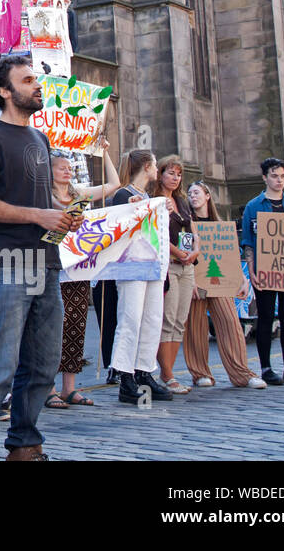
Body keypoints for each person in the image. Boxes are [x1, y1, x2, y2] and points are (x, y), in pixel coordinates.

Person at [0, 55, 75, 462]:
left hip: (46, 262)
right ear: (5, 91)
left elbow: (38, 201)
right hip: (4, 262)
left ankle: (24, 442)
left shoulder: (40, 139)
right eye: (27, 80)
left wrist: (62, 213)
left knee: (43, 363)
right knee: (2, 363)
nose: (37, 85)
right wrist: (39, 214)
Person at [45, 142, 121, 409]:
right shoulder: (41, 195)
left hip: (77, 271)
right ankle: (48, 388)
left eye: (69, 167)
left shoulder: (79, 195)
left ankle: (69, 388)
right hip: (52, 269)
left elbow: (114, 184)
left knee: (75, 327)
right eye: (61, 167)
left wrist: (105, 152)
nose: (67, 171)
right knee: (51, 329)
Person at [104, 148, 172, 406]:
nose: (157, 169)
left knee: (152, 319)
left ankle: (144, 370)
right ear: (145, 166)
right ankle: (125, 375)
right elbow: (117, 225)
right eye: (155, 165)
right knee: (130, 318)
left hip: (153, 263)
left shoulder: (148, 196)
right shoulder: (125, 194)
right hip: (132, 265)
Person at [182, 182, 264, 388]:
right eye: (190, 193)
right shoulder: (186, 223)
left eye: (197, 192)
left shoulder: (220, 223)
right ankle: (200, 373)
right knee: (196, 327)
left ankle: (242, 373)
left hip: (220, 282)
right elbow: (184, 253)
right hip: (195, 280)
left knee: (230, 323)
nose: (193, 196)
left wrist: (242, 280)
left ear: (208, 195)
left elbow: (231, 258)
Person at [241, 158, 284, 385]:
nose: (279, 180)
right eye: (274, 176)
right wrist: (251, 271)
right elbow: (248, 242)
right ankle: (266, 368)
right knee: (265, 318)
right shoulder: (253, 206)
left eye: (282, 176)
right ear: (264, 177)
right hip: (265, 270)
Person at [148, 156, 200, 394]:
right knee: (167, 318)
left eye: (178, 174)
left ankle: (170, 372)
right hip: (168, 263)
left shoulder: (182, 200)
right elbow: (155, 233)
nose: (175, 178)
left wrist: (194, 250)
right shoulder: (154, 200)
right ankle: (167, 374)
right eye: (171, 173)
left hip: (187, 265)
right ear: (160, 174)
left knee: (180, 320)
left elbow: (191, 229)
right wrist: (178, 252)